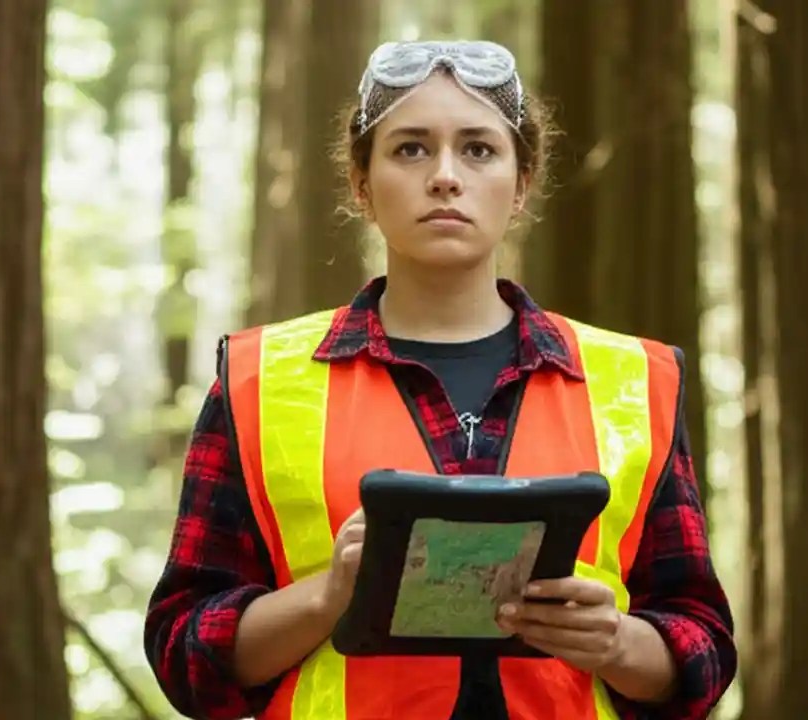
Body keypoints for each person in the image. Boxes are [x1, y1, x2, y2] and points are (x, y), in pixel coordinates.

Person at [144, 39, 736, 720]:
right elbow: (186, 659)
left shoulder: (634, 384)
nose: (446, 177)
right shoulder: (258, 381)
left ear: (521, 185)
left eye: (478, 149)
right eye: (411, 149)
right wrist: (328, 595)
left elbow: (705, 655)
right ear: (362, 185)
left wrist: (616, 642)